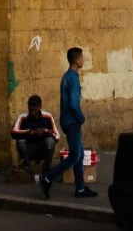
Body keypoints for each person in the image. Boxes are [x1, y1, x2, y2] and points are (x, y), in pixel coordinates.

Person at [41, 48, 97, 200]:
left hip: (68, 120)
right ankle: (48, 178)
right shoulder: (72, 78)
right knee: (75, 155)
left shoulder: (66, 76)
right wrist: (81, 117)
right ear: (77, 60)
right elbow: (73, 103)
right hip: (72, 121)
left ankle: (80, 188)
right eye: (82, 58)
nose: (83, 60)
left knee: (77, 154)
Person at [10, 94, 59, 181]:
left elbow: (57, 136)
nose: (32, 108)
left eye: (35, 106)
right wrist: (31, 132)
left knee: (50, 141)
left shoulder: (47, 117)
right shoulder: (22, 117)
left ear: (40, 106)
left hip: (42, 149)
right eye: (30, 105)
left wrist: (45, 132)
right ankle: (29, 169)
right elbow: (13, 132)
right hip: (28, 150)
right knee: (20, 141)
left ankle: (46, 171)